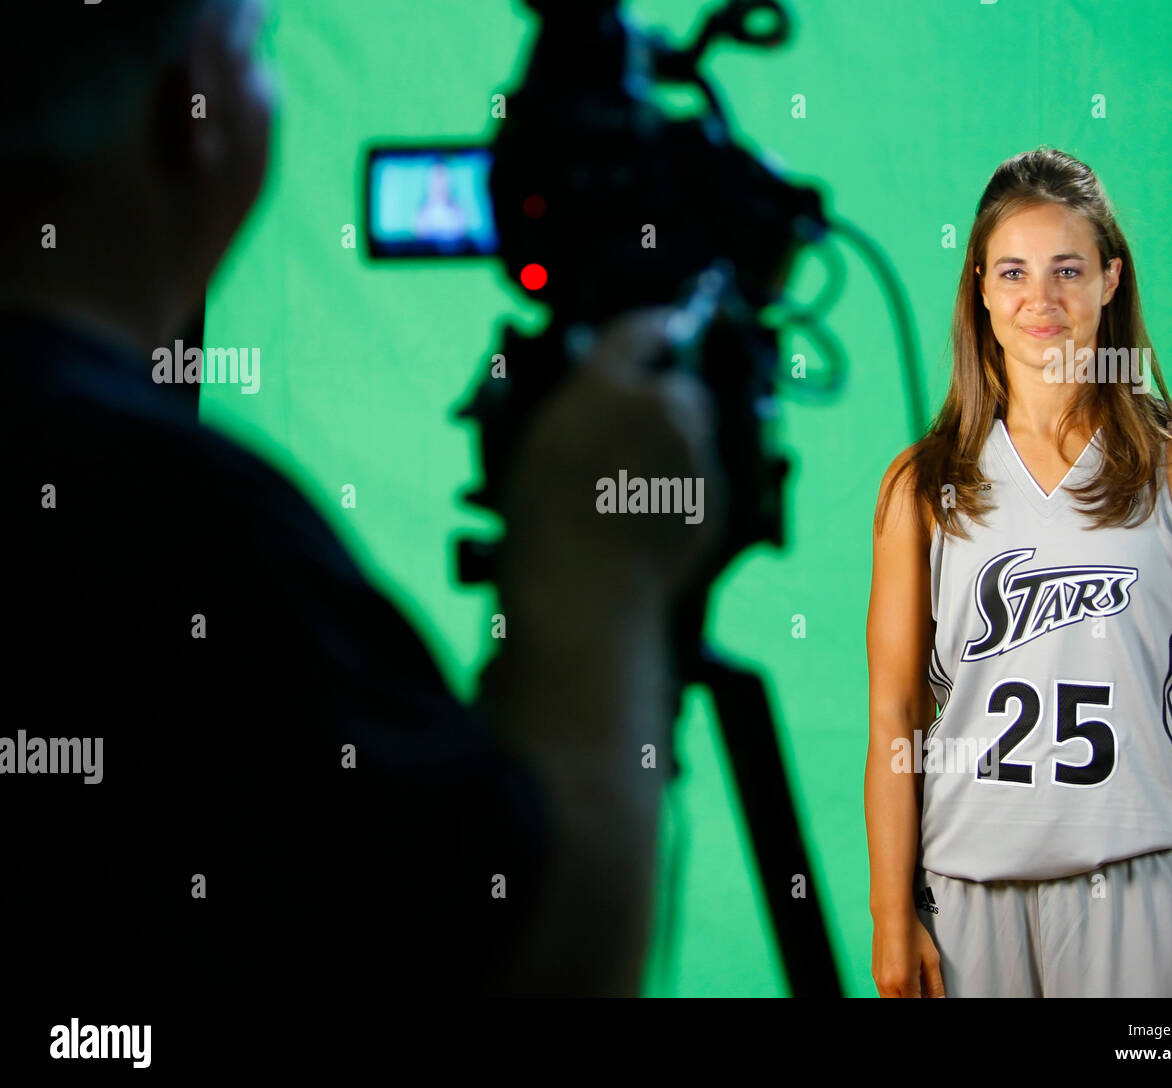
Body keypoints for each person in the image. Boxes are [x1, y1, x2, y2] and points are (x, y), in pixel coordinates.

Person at [3, 0, 724, 1012]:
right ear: (192, 106)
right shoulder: (175, 525)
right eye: (255, 48)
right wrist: (597, 566)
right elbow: (521, 962)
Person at [864, 148, 1172, 998]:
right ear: (979, 284)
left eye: (1068, 270)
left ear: (1111, 280)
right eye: (1012, 270)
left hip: (1141, 872)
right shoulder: (922, 483)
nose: (1040, 300)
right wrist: (889, 913)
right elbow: (895, 714)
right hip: (966, 883)